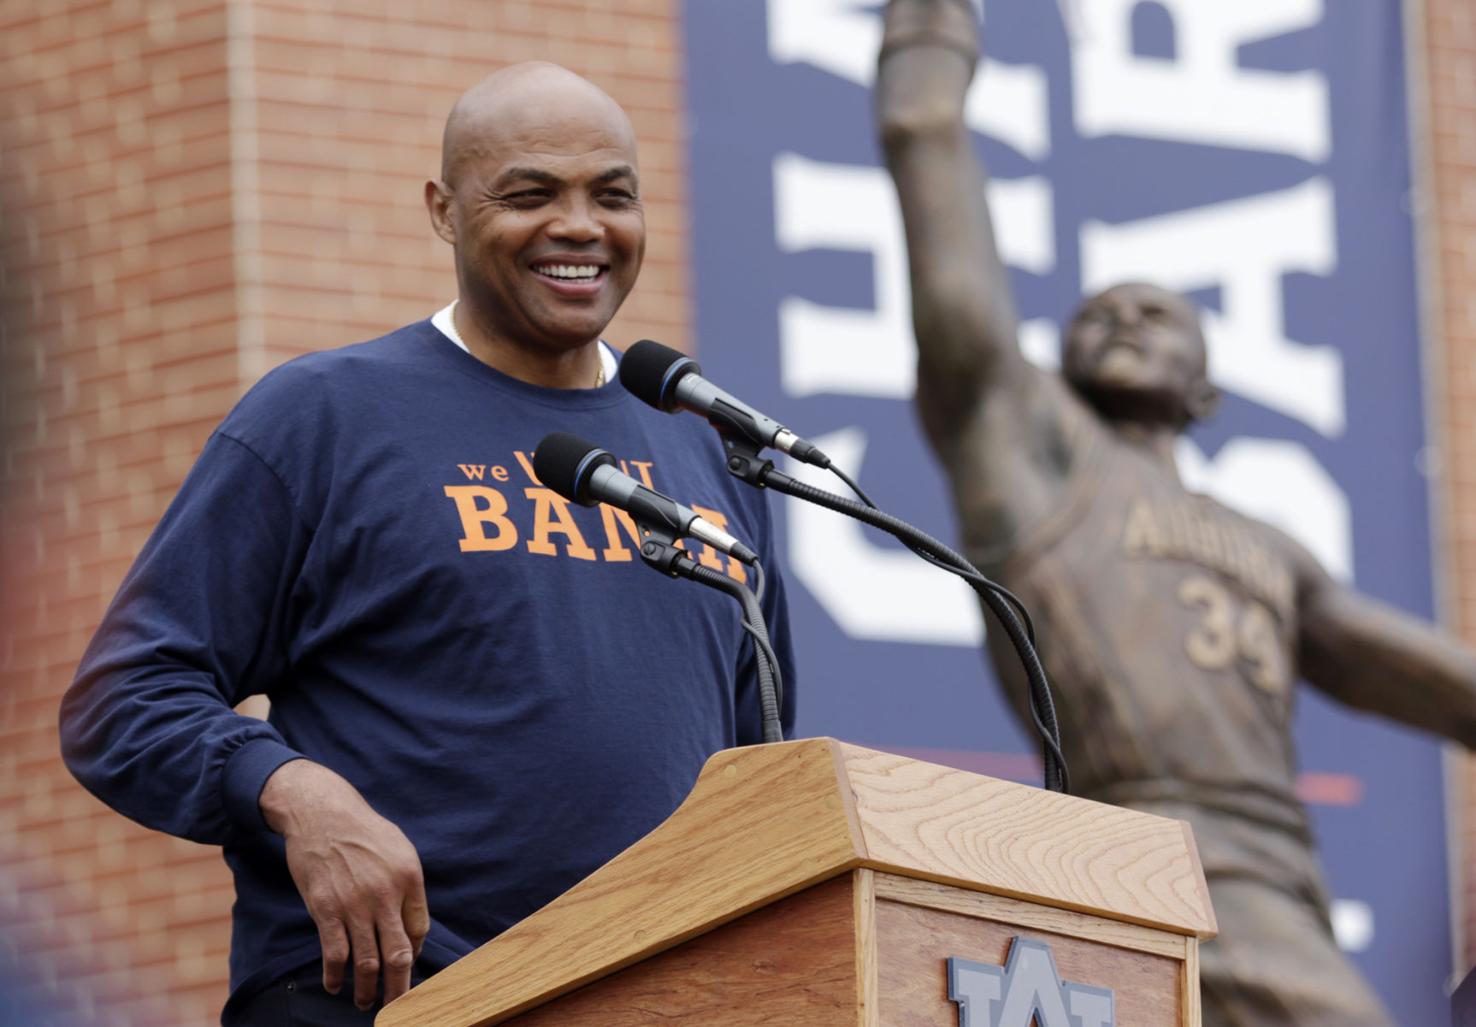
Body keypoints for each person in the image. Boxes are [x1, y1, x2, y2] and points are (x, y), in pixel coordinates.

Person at [59, 62, 795, 1025]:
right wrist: (290, 786)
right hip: (387, 991)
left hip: (649, 995)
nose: (579, 225)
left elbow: (760, 780)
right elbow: (122, 699)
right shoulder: (324, 416)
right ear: (444, 211)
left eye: (611, 195)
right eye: (529, 194)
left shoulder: (708, 450)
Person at [876, 2, 1476, 1023]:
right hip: (1147, 854)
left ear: (1205, 389)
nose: (1120, 315)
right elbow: (927, 152)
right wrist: (930, 35)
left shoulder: (1273, 553)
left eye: (1158, 312)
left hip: (1281, 889)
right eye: (1096, 311)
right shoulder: (1032, 454)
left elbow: (1437, 681)